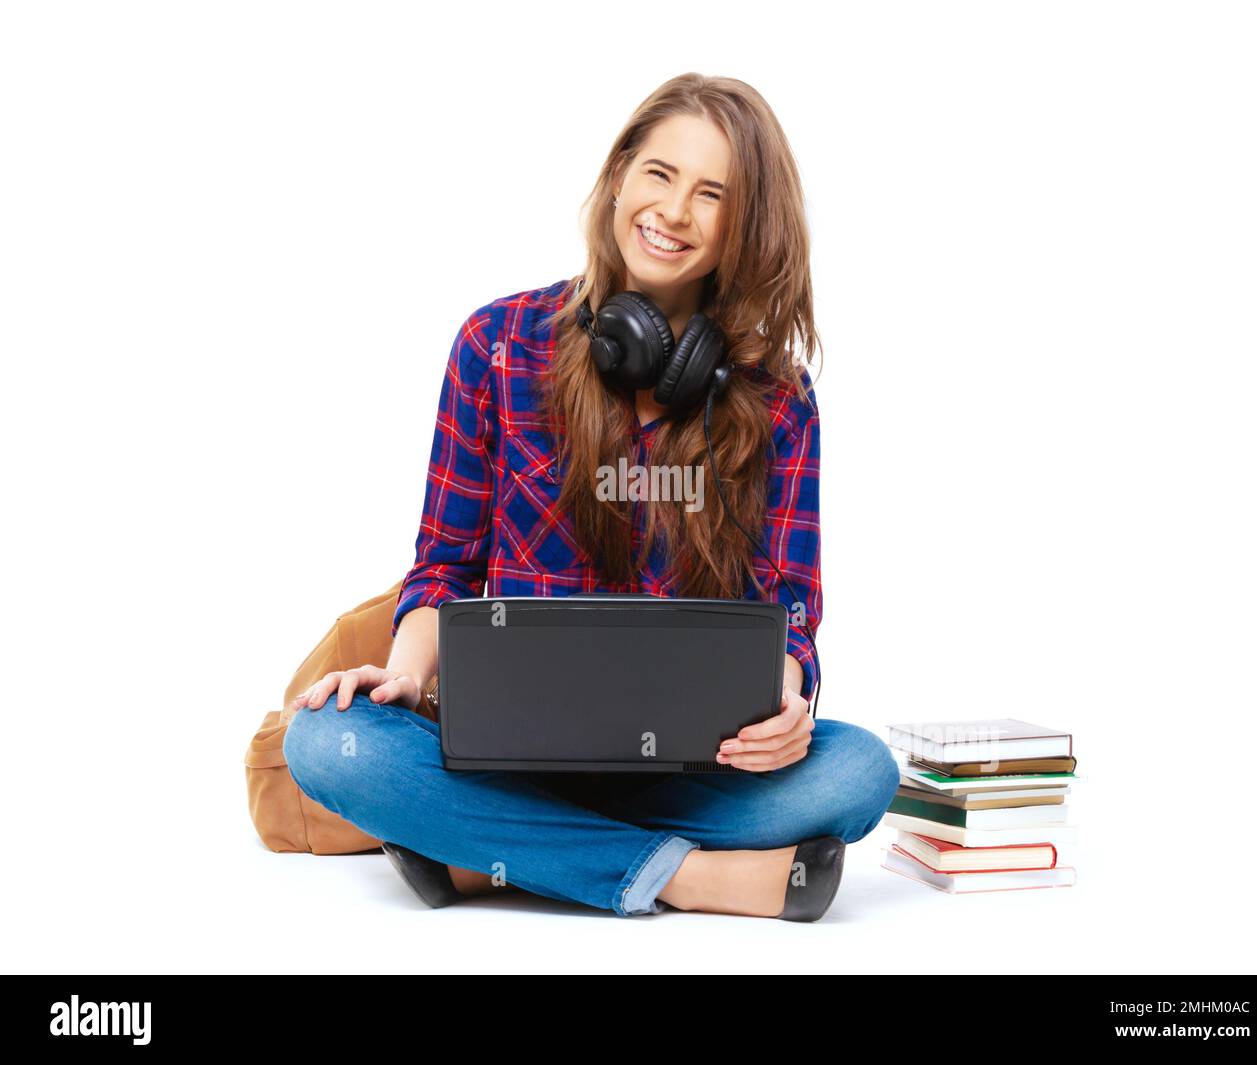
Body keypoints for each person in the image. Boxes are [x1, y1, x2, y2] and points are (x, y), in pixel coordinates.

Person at [282, 73, 899, 920]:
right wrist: (403, 673)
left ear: (743, 227)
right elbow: (446, 566)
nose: (674, 211)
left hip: (690, 771)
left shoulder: (780, 402)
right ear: (618, 179)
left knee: (860, 770)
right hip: (508, 755)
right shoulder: (495, 346)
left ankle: (491, 855)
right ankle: (690, 876)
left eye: (711, 193)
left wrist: (789, 701)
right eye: (659, 173)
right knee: (327, 744)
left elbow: (788, 612)